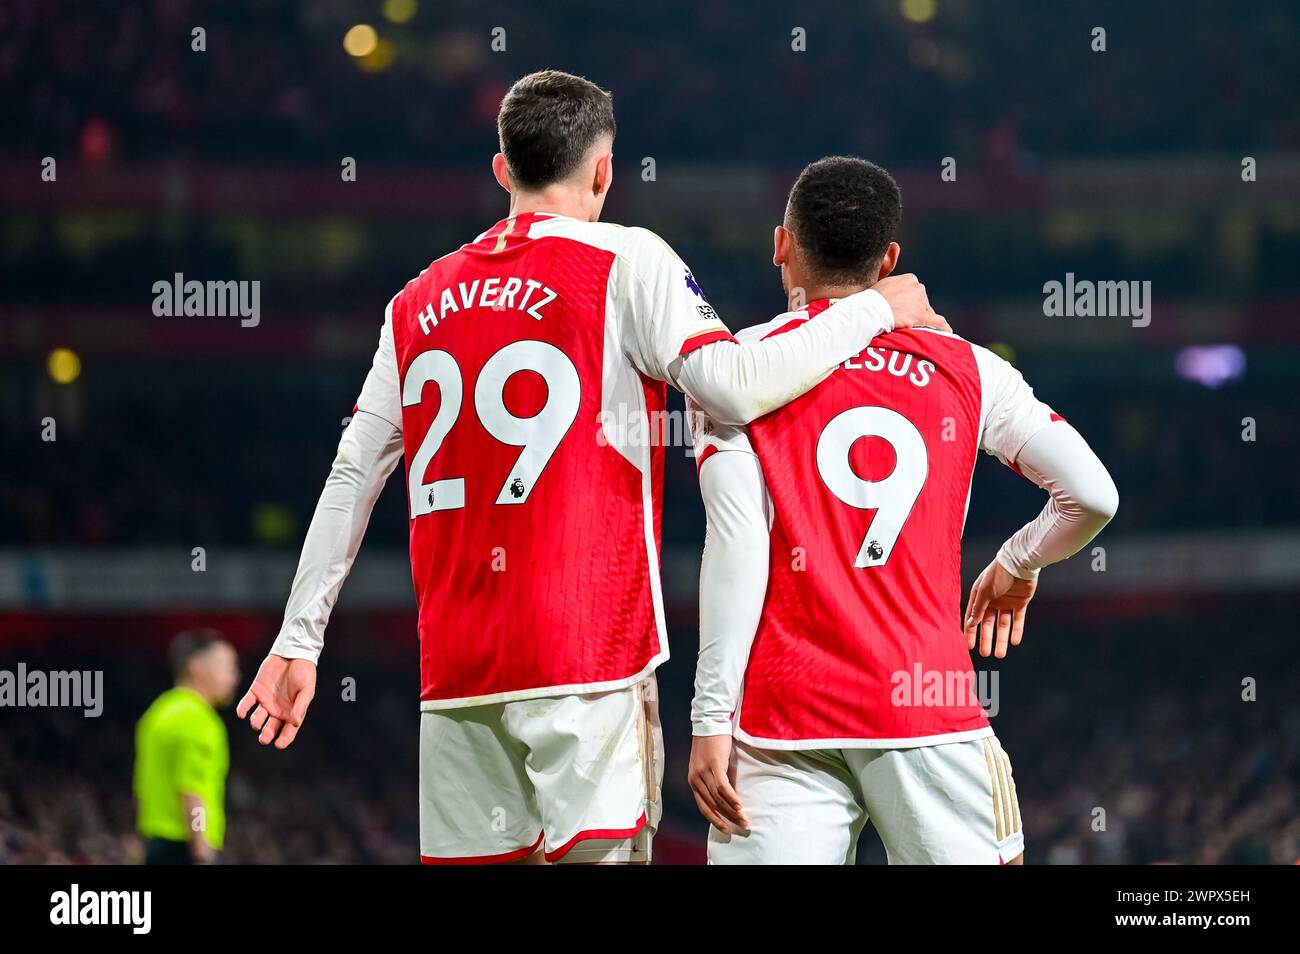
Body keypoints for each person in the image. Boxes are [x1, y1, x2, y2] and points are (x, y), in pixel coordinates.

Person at [235, 71, 946, 866]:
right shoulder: (627, 261)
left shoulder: (413, 302)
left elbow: (350, 476)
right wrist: (876, 308)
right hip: (588, 657)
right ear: (605, 171)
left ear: (502, 169)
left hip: (458, 672)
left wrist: (300, 640)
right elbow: (738, 389)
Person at [687, 156, 1118, 864]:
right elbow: (1093, 495)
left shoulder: (736, 369)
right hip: (927, 709)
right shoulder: (968, 366)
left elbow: (737, 552)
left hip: (782, 721)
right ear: (890, 259)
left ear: (781, 245)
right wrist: (1016, 561)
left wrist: (711, 718)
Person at [134, 629, 238, 864]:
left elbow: (142, 790)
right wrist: (201, 848)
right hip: (185, 849)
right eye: (228, 668)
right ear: (198, 667)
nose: (234, 677)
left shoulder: (156, 714)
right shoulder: (199, 720)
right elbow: (192, 790)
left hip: (155, 845)